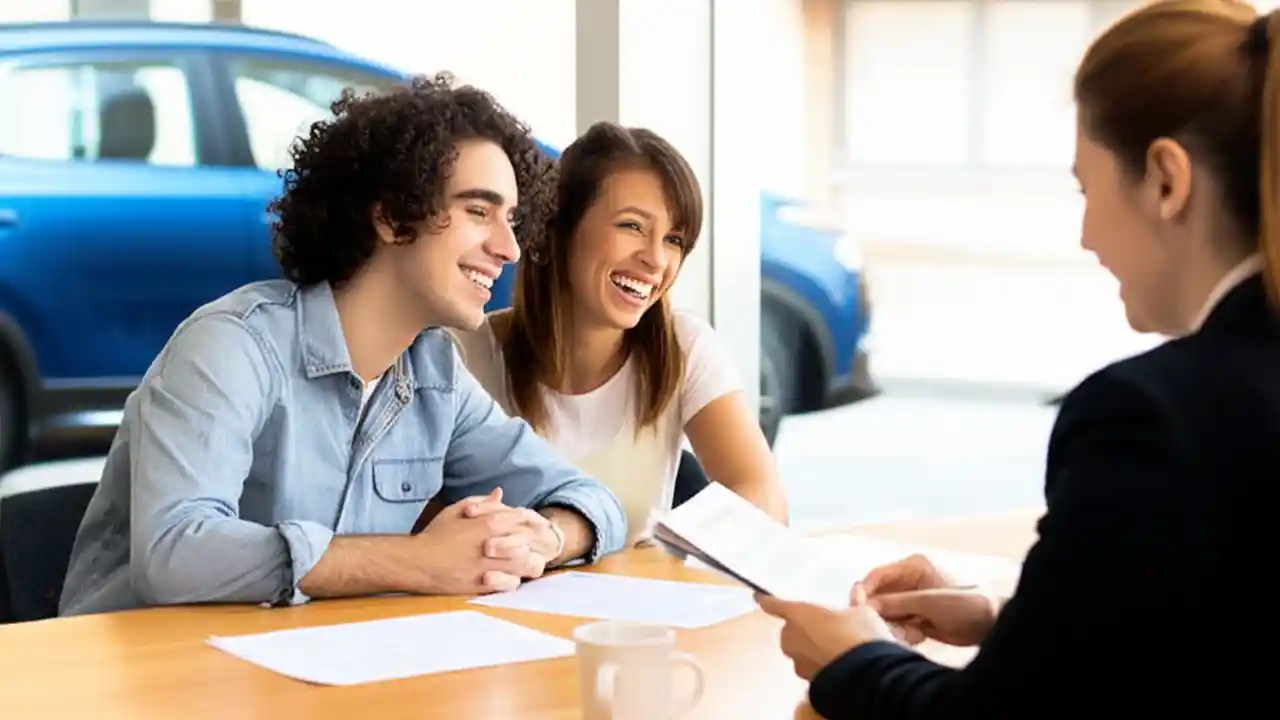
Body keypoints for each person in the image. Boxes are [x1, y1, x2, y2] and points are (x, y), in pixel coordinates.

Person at [757, 1, 1279, 716]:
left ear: (1166, 180)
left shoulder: (1150, 418)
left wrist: (850, 657)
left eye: (1086, 189)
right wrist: (1017, 621)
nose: (1087, 236)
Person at [59, 74, 627, 617]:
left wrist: (542, 538)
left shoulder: (435, 375)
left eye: (511, 219)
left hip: (306, 672)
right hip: (139, 680)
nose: (509, 248)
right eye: (478, 211)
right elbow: (175, 553)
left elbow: (590, 497)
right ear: (389, 216)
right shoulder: (232, 346)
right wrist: (417, 562)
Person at [451, 122, 787, 545]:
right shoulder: (460, 357)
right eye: (632, 227)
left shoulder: (685, 347)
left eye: (674, 239)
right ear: (555, 229)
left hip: (638, 604)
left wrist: (669, 554)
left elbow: (762, 500)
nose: (656, 259)